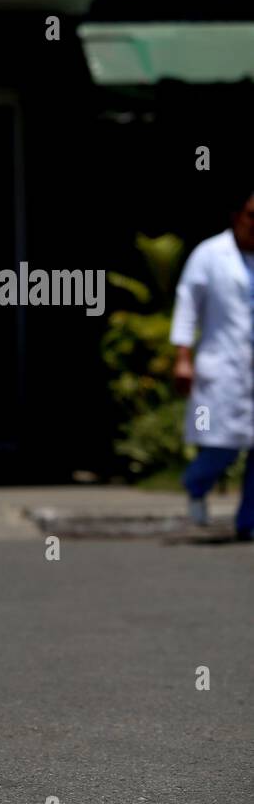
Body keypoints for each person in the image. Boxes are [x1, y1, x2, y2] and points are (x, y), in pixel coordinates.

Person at [171, 187, 254, 541]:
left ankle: (248, 522)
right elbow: (187, 304)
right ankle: (195, 483)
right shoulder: (209, 254)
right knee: (222, 444)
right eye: (253, 215)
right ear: (237, 217)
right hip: (222, 365)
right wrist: (182, 357)